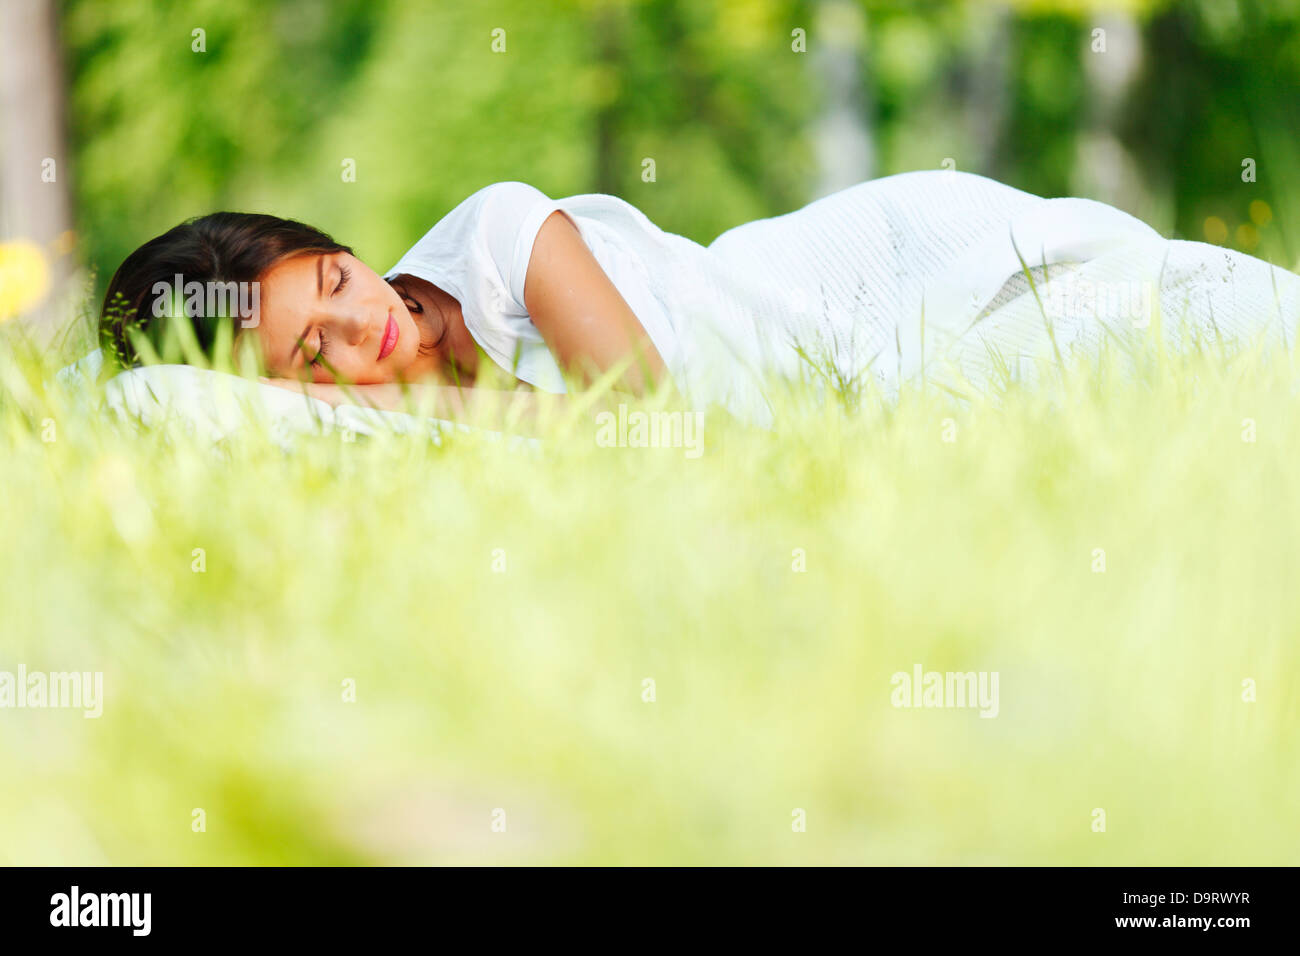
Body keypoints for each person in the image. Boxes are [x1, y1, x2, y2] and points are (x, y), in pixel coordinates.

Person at [99, 172, 1300, 425]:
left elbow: (655, 432)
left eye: (332, 279)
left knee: (1169, 315)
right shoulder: (357, 428)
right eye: (314, 352)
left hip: (839, 285)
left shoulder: (506, 233)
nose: (362, 323)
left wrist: (446, 414)